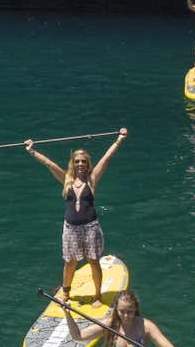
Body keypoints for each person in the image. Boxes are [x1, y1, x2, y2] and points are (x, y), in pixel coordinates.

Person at [25, 129, 127, 302]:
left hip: (90, 228)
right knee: (70, 262)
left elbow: (106, 158)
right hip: (70, 228)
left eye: (84, 162)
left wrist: (119, 139)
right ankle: (65, 292)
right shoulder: (66, 179)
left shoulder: (92, 179)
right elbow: (49, 164)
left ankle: (97, 296)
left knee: (93, 261)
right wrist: (32, 150)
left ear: (87, 164)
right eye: (77, 161)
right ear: (73, 163)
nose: (80, 164)